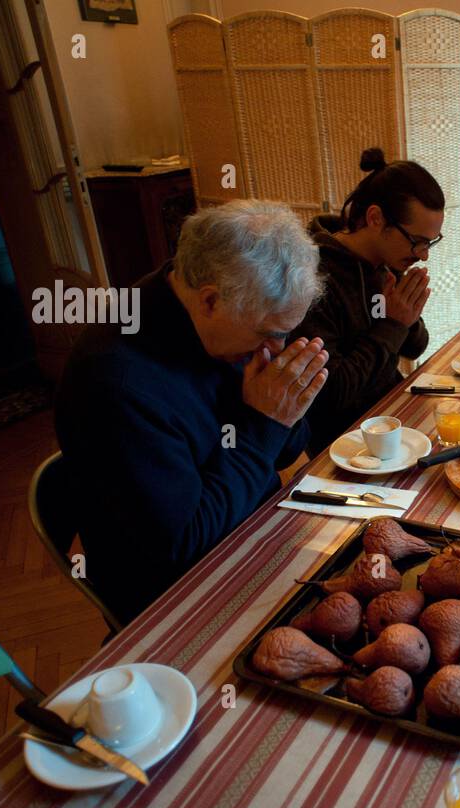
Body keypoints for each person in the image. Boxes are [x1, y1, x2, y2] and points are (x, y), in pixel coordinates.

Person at [56, 199, 329, 625]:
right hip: (178, 596)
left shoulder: (224, 320)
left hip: (251, 531)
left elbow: (281, 451)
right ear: (210, 301)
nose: (274, 349)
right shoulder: (116, 382)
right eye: (270, 334)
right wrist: (265, 424)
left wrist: (285, 405)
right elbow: (185, 545)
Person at [294, 147, 443, 456]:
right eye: (417, 242)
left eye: (430, 243)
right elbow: (332, 392)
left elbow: (415, 345)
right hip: (346, 444)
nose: (423, 255)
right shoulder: (313, 279)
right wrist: (393, 323)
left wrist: (407, 318)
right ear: (375, 218)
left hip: (392, 414)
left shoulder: (387, 262)